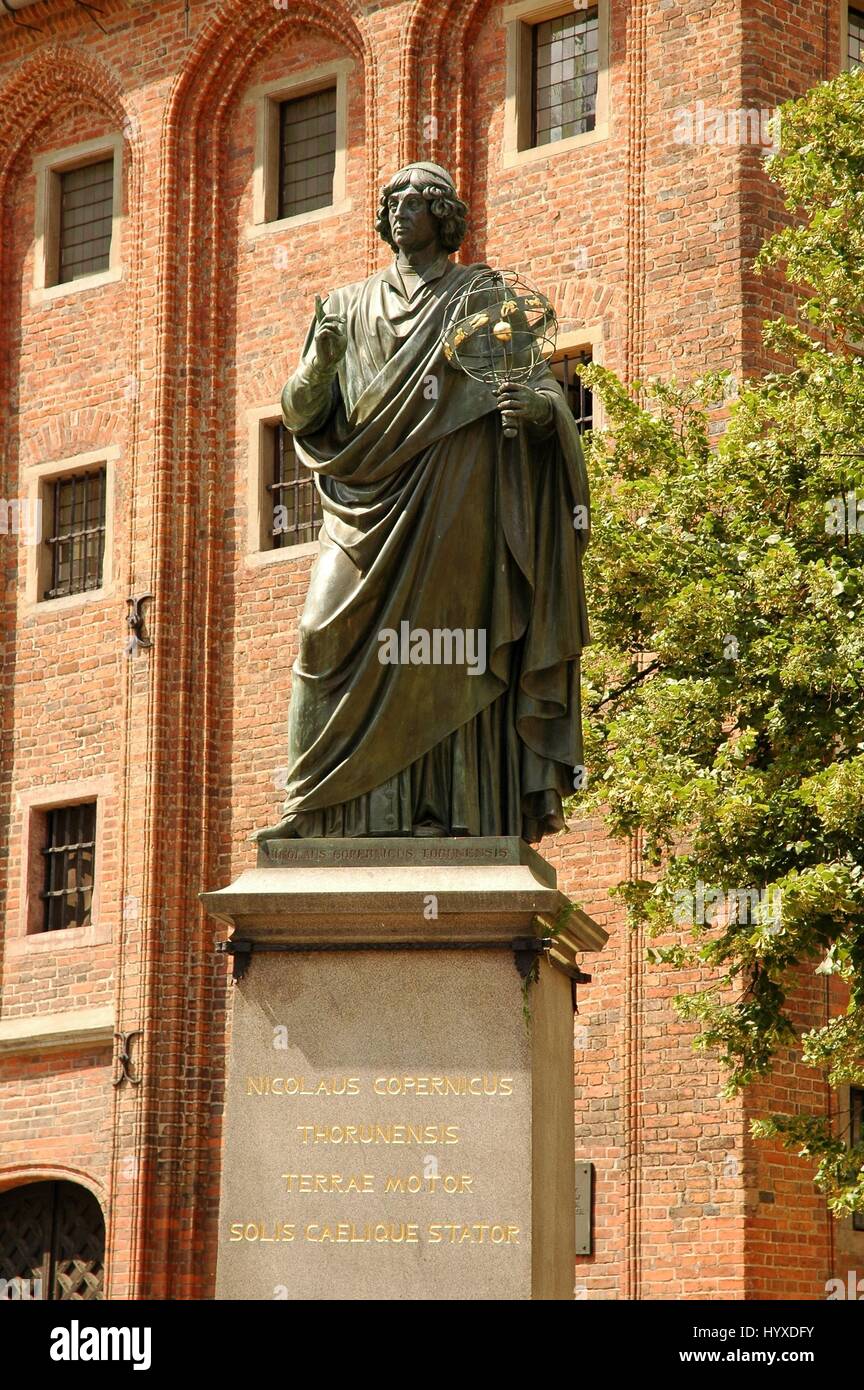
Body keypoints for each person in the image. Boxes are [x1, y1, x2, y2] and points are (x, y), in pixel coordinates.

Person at [253, 161, 589, 844]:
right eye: (393, 200)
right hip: (366, 503)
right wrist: (318, 362)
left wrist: (535, 410)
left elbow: (541, 391)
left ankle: (455, 812)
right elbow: (302, 412)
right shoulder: (344, 306)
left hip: (458, 498)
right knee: (323, 631)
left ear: (444, 215)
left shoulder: (482, 297)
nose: (401, 209)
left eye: (416, 200)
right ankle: (318, 805)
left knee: (453, 652)